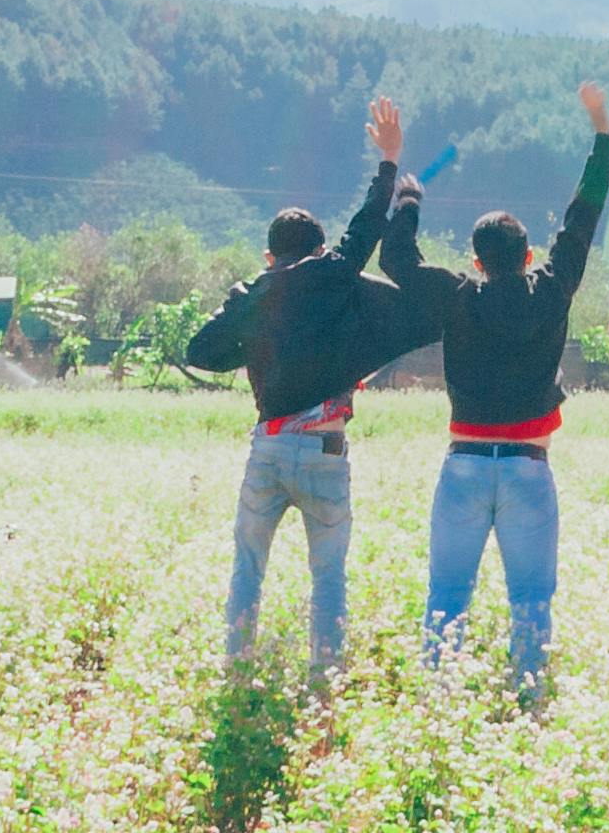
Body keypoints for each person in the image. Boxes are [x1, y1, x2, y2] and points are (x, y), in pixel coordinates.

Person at [377, 80, 609, 704]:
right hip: (530, 471)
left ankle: (437, 706)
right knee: (532, 602)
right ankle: (530, 703)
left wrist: (406, 189)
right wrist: (602, 137)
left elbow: (397, 260)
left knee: (447, 599)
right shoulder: (553, 286)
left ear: (477, 261)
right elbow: (581, 222)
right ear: (530, 254)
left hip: (462, 467)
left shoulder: (456, 295)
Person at [185, 96, 436, 681]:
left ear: (270, 254)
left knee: (248, 567)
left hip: (268, 448)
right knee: (328, 575)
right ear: (318, 250)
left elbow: (201, 350)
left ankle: (238, 670)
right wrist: (390, 163)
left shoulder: (259, 292)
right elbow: (364, 230)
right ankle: (325, 681)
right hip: (325, 447)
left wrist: (248, 307)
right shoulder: (331, 273)